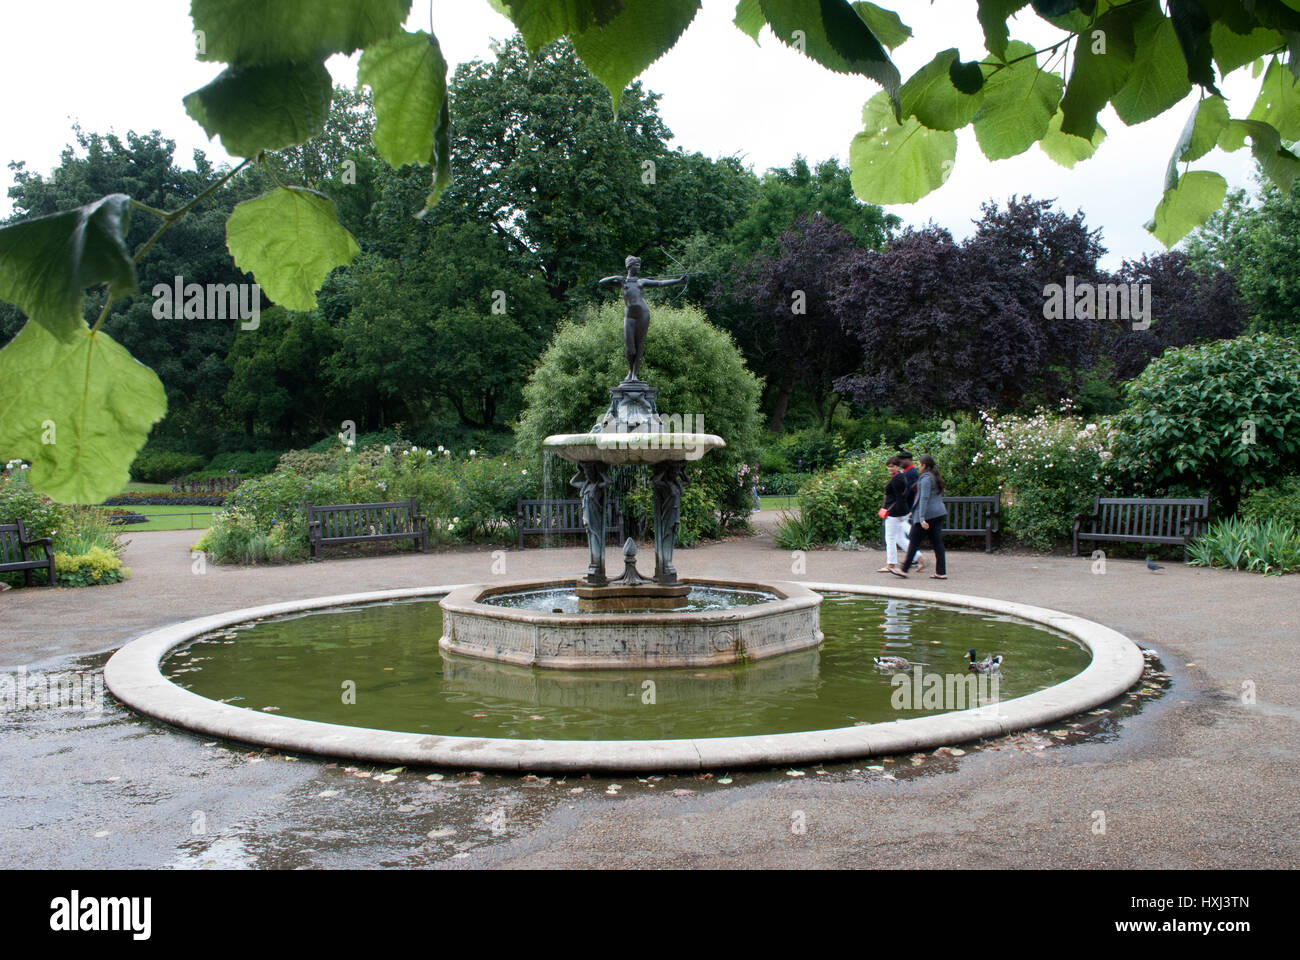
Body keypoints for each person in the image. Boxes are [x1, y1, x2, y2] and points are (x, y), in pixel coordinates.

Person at [892, 454, 947, 579]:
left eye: (920, 464)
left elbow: (924, 499)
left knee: (914, 541)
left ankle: (904, 570)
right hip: (938, 514)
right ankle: (941, 572)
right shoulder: (934, 476)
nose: (918, 466)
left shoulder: (926, 478)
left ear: (925, 465)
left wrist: (921, 518)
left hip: (927, 516)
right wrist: (913, 511)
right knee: (937, 543)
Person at [877, 456, 912, 574]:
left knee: (891, 538)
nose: (890, 468)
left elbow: (899, 497)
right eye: (888, 466)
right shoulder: (901, 477)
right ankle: (917, 556)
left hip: (896, 513)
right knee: (900, 538)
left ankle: (891, 564)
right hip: (899, 511)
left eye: (892, 466)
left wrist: (901, 512)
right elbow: (905, 494)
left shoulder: (897, 479)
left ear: (897, 466)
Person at [896, 451, 925, 571]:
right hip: (907, 508)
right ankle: (914, 557)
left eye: (902, 460)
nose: (900, 462)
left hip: (908, 508)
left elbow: (910, 492)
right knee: (903, 534)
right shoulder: (908, 472)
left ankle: (915, 557)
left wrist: (906, 508)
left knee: (907, 533)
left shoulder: (911, 473)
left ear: (909, 460)